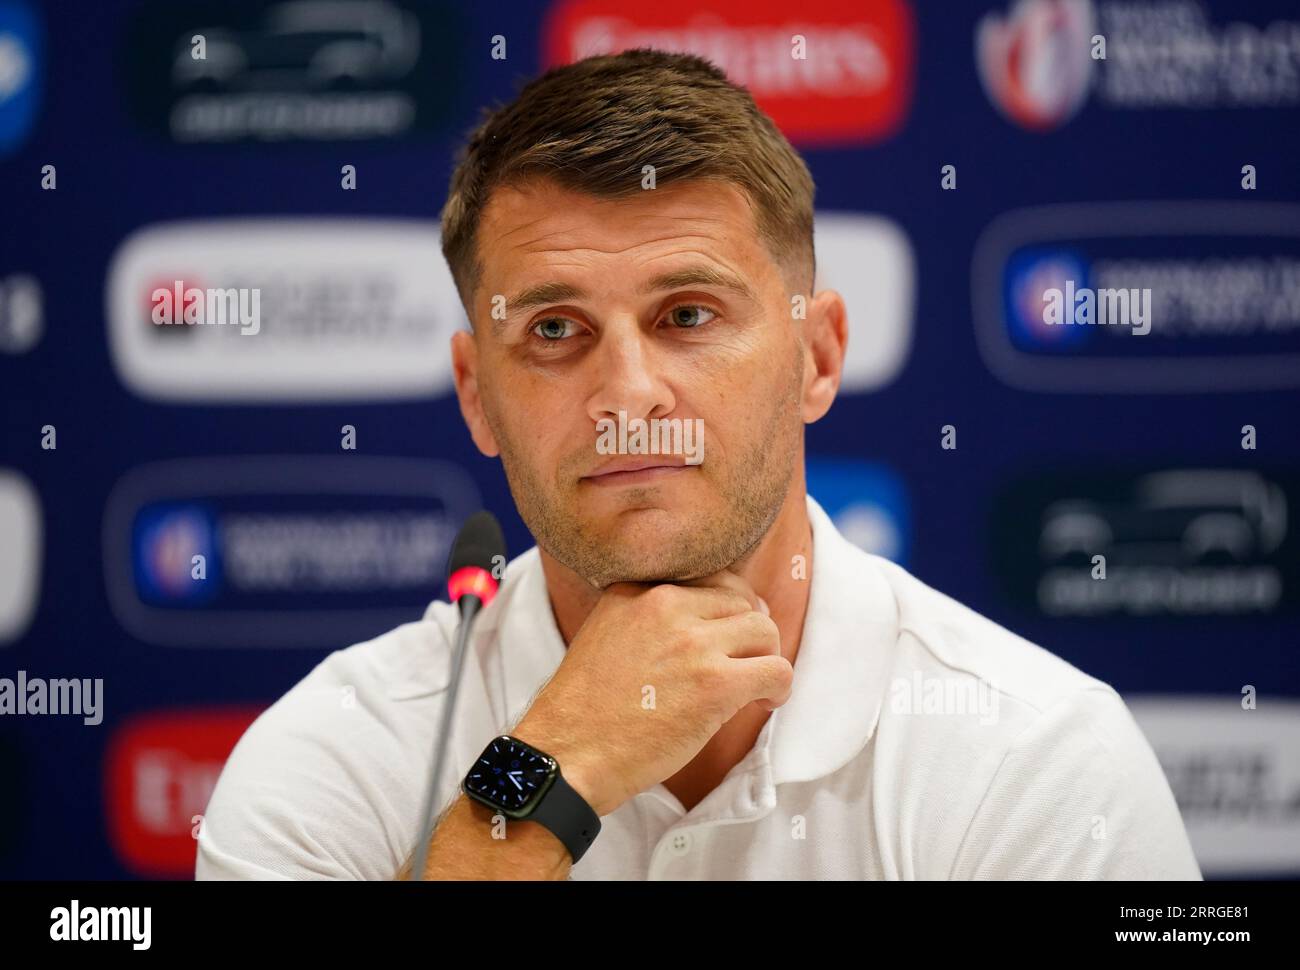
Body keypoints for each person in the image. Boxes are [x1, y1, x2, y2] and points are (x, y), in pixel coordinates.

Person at [196, 49, 1201, 881]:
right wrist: (552, 770)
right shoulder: (328, 759)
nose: (628, 392)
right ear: (475, 393)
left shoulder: (1036, 756)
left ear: (816, 355)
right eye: (554, 328)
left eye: (687, 315)